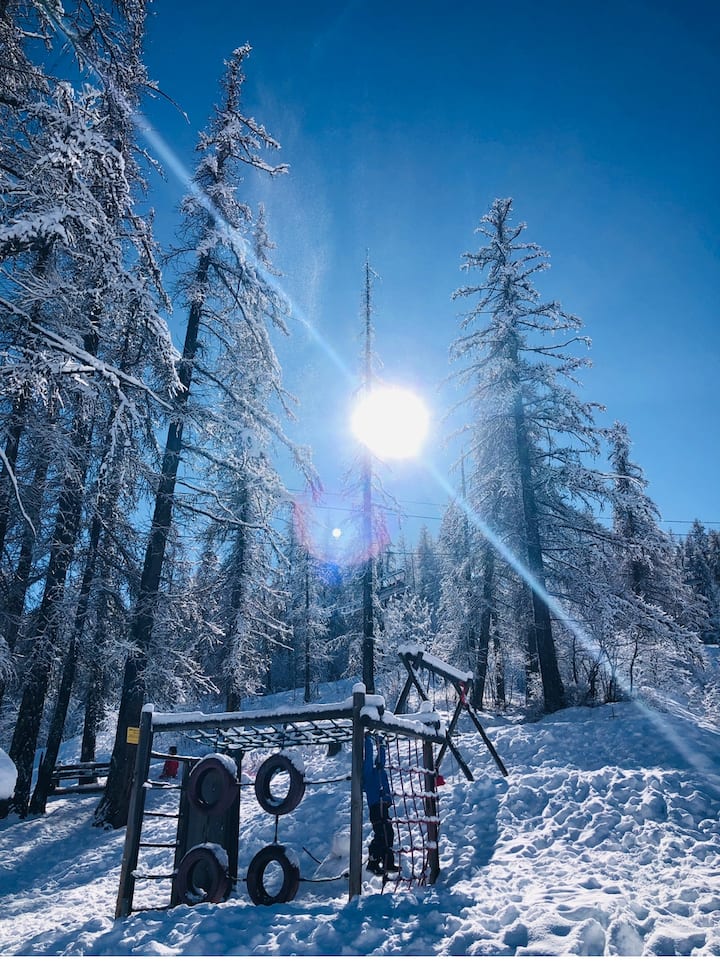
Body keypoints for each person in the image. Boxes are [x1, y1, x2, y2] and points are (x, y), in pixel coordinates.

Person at [362, 734, 398, 876]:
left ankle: (386, 862)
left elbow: (381, 761)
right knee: (382, 834)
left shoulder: (381, 771)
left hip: (383, 806)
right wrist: (368, 741)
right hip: (376, 807)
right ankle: (374, 862)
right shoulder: (369, 774)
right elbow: (368, 759)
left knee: (388, 834)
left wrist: (381, 745)